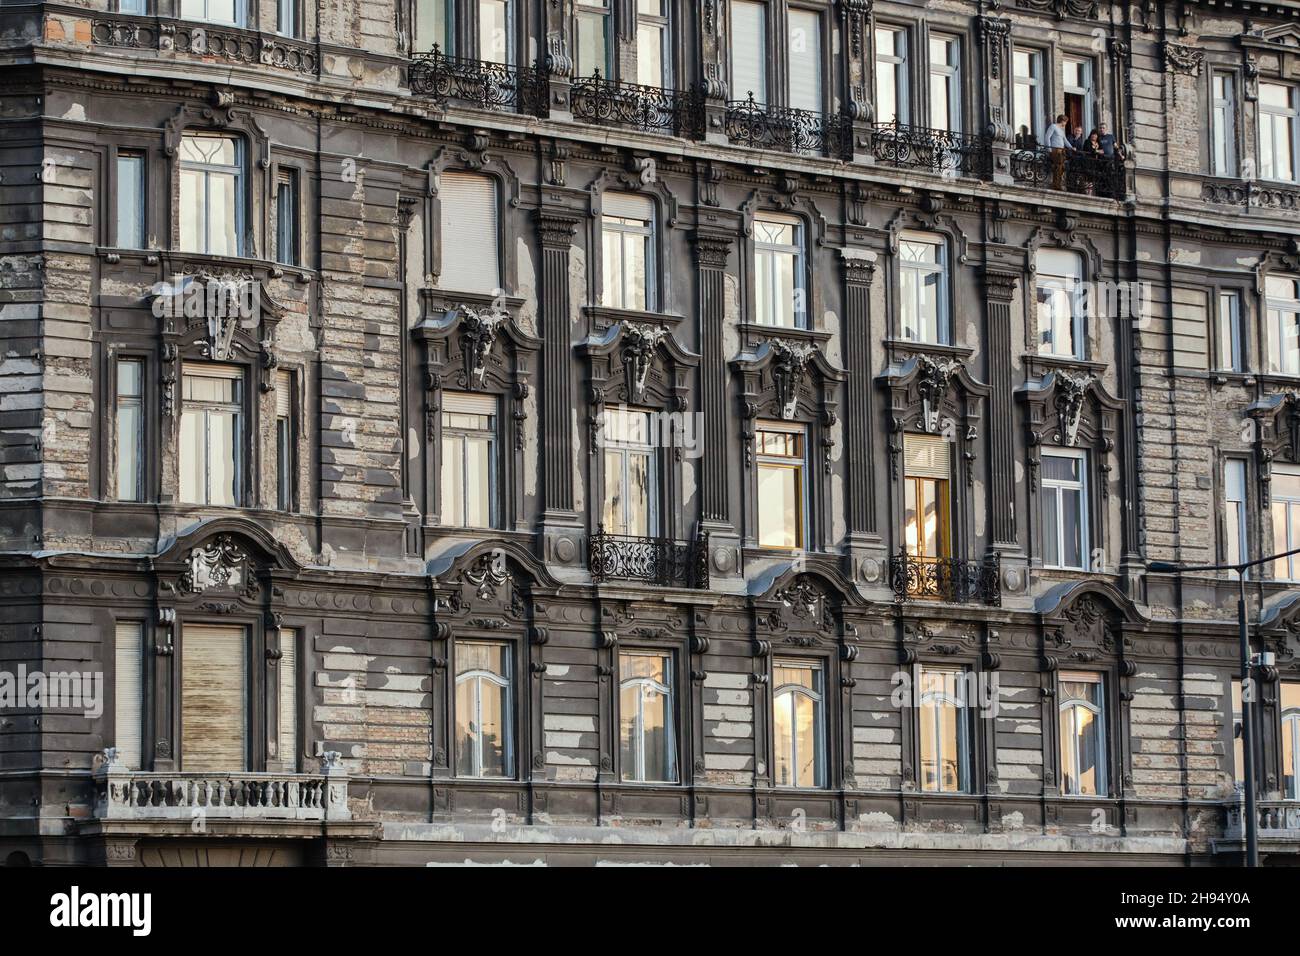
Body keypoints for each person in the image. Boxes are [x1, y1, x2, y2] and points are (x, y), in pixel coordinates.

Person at [1043, 114, 1071, 190]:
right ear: (1062, 121)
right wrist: (1049, 149)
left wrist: (1071, 147)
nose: (1065, 124)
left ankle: (1058, 183)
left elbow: (1065, 140)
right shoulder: (1053, 126)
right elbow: (1047, 137)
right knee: (1057, 167)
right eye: (1065, 122)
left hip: (1062, 150)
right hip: (1055, 150)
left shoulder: (1062, 130)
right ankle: (1056, 185)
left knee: (1061, 168)